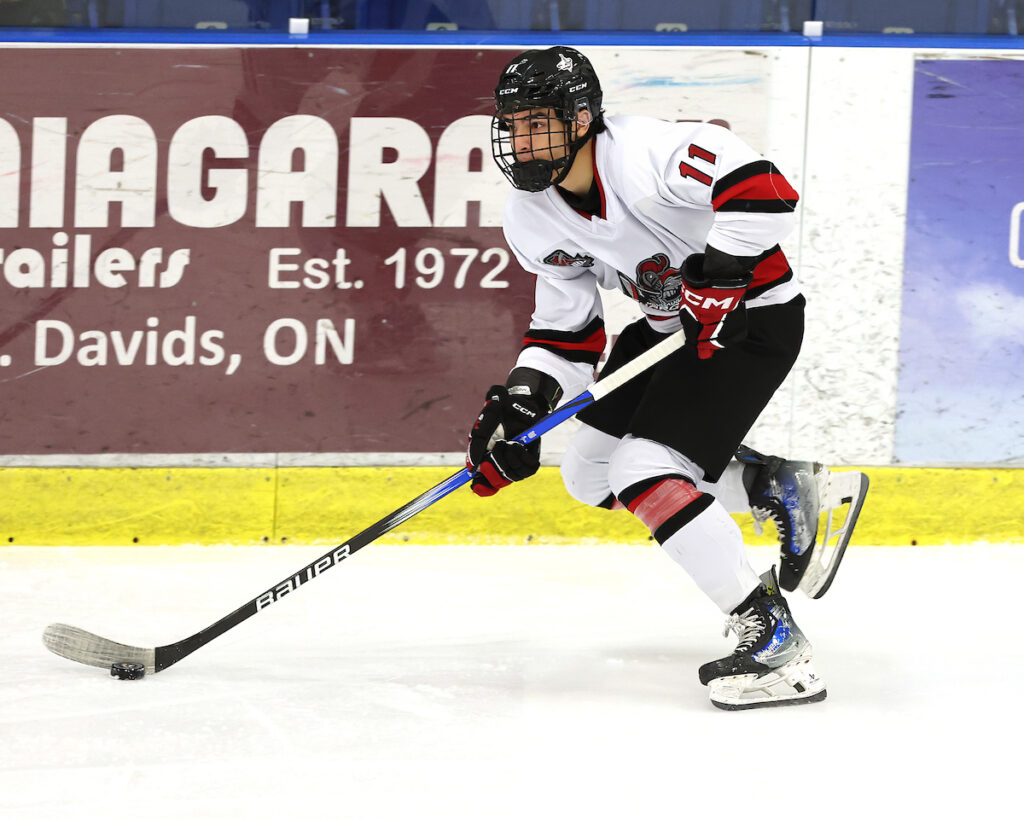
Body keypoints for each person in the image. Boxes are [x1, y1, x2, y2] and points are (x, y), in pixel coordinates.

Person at [465, 46, 861, 710]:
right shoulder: (530, 213)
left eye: (540, 123)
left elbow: (765, 192)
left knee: (642, 469)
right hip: (665, 330)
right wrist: (523, 402)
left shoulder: (646, 154)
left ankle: (772, 636)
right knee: (588, 473)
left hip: (749, 320)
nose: (524, 141)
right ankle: (778, 486)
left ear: (583, 117)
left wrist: (724, 272)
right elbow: (567, 332)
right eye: (515, 126)